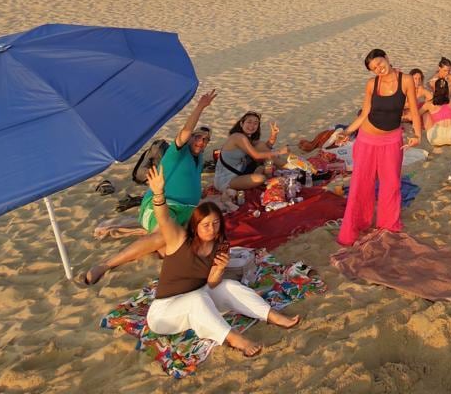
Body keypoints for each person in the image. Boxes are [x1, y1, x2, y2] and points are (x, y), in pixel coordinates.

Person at [142, 164, 301, 355]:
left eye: (216, 223)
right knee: (197, 298)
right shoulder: (179, 240)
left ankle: (272, 315)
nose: (212, 229)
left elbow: (211, 283)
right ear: (195, 226)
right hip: (165, 313)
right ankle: (234, 338)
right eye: (206, 225)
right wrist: (158, 194)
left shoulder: (220, 245)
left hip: (198, 297)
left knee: (227, 285)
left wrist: (218, 271)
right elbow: (164, 219)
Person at [79, 90, 217, 286]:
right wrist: (200, 108)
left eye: (205, 140)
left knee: (174, 246)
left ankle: (152, 242)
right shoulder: (176, 152)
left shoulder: (199, 157)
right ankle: (106, 265)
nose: (201, 142)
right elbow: (186, 131)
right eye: (198, 137)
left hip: (185, 212)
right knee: (163, 237)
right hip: (160, 206)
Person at [332, 49, 423, 246]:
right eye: (374, 68)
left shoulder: (405, 80)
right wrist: (346, 132)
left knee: (391, 185)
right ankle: (357, 225)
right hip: (367, 139)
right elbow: (365, 113)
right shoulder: (372, 84)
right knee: (360, 185)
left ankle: (388, 226)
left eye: (380, 63)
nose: (379, 69)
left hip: (392, 140)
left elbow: (414, 112)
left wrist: (417, 135)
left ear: (387, 58)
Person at [214, 111, 290, 193]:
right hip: (227, 179)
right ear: (241, 124)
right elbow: (256, 155)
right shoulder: (238, 137)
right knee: (261, 178)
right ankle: (289, 166)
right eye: (249, 122)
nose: (252, 126)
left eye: (255, 123)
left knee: (260, 146)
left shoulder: (247, 138)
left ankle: (288, 166)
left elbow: (266, 147)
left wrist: (273, 135)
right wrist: (279, 152)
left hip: (240, 172)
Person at [422, 77, 451, 146]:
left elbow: (416, 114)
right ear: (447, 89)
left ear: (435, 89)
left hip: (436, 138)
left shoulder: (429, 103)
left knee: (426, 114)